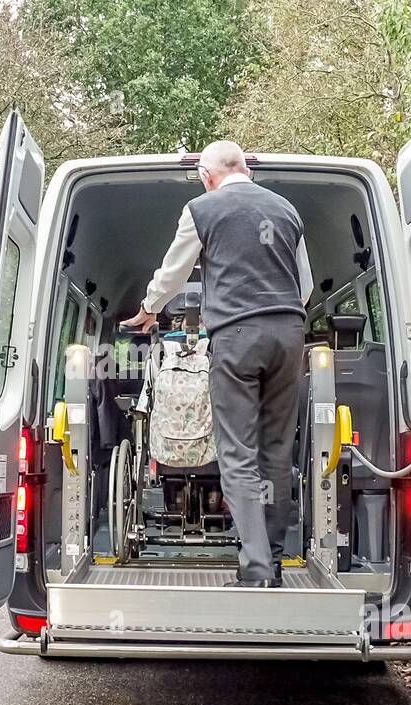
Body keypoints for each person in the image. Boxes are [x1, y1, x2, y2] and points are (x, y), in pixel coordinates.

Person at [120, 141, 312, 587]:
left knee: (238, 455)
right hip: (288, 335)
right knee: (276, 454)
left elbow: (174, 271)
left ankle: (257, 572)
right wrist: (281, 315)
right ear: (247, 170)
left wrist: (150, 307)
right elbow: (303, 285)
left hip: (236, 338)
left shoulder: (202, 209)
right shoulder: (287, 211)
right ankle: (274, 565)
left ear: (207, 176)